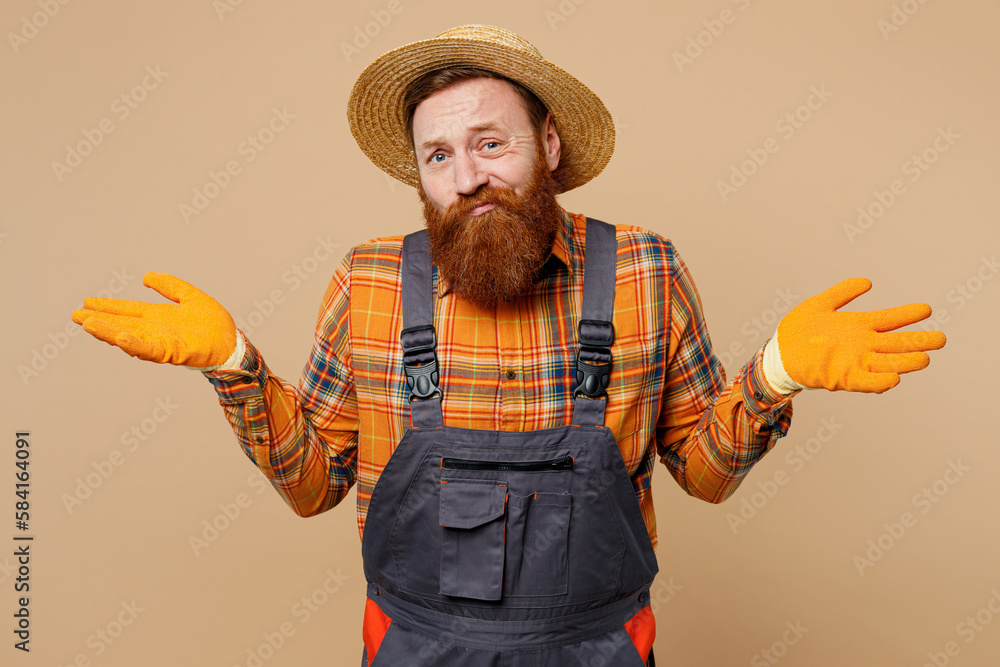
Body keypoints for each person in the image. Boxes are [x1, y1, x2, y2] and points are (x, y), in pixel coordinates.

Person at [71, 25, 946, 667]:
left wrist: (777, 374)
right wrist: (234, 364)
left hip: (596, 647)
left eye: (491, 143)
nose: (468, 178)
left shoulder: (643, 268)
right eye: (439, 155)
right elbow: (314, 489)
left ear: (549, 145)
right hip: (416, 646)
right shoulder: (371, 281)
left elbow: (705, 475)